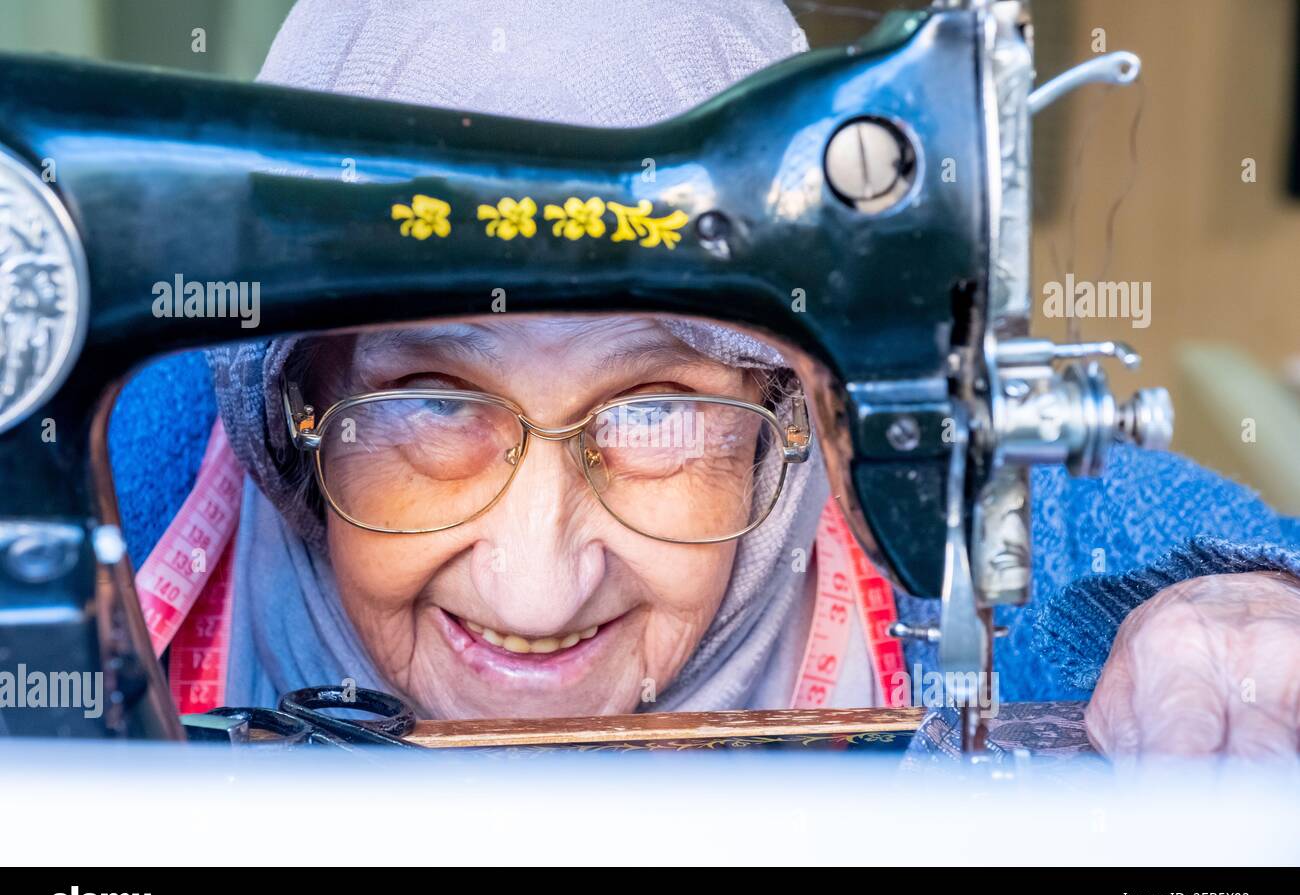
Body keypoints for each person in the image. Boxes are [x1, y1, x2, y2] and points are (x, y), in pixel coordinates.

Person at [110, 0, 1300, 758]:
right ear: (281, 402)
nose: (535, 589)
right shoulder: (126, 473)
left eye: (659, 406)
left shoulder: (914, 479)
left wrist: (1241, 610)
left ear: (792, 398)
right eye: (429, 396)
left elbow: (1195, 558)